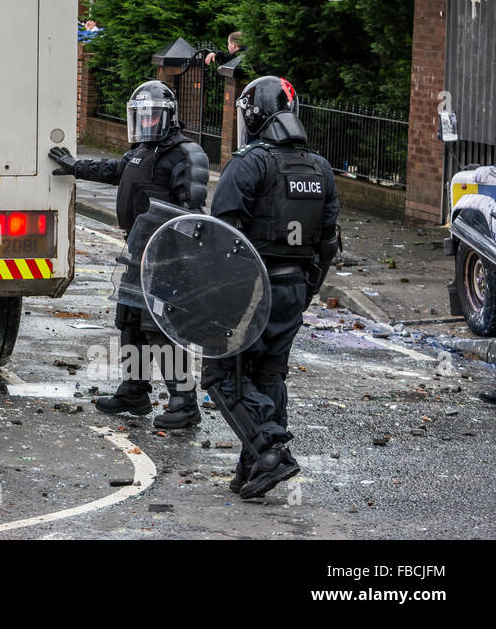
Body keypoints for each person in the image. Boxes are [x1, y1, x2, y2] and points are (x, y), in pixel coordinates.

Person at [208, 75, 339, 499]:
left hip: (252, 287)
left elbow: (221, 235)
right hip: (294, 288)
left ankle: (269, 452)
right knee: (269, 374)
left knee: (224, 375)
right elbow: (328, 240)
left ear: (254, 116)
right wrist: (307, 289)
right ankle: (252, 471)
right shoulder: (321, 168)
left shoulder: (248, 163)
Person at [50, 81, 210, 428]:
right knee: (130, 322)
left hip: (168, 257)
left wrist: (180, 259)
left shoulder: (186, 154)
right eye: (141, 116)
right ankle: (135, 391)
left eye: (152, 116)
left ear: (169, 117)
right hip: (138, 251)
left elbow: (193, 213)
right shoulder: (141, 151)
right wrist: (75, 166)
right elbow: (114, 172)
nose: (146, 122)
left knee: (162, 329)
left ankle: (184, 403)